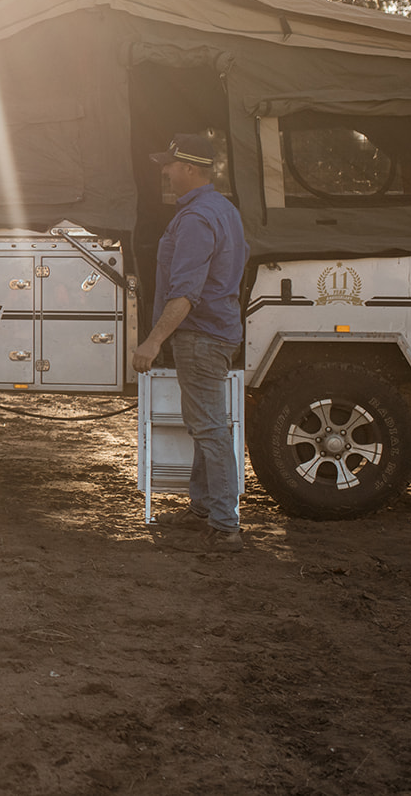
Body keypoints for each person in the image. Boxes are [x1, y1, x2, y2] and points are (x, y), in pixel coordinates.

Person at [133, 133, 249, 553]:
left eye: (170, 165)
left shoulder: (197, 219)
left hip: (200, 335)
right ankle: (203, 509)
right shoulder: (225, 210)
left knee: (210, 429)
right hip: (218, 330)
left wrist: (152, 341)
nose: (164, 171)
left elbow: (185, 293)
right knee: (205, 426)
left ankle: (225, 525)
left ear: (190, 169)